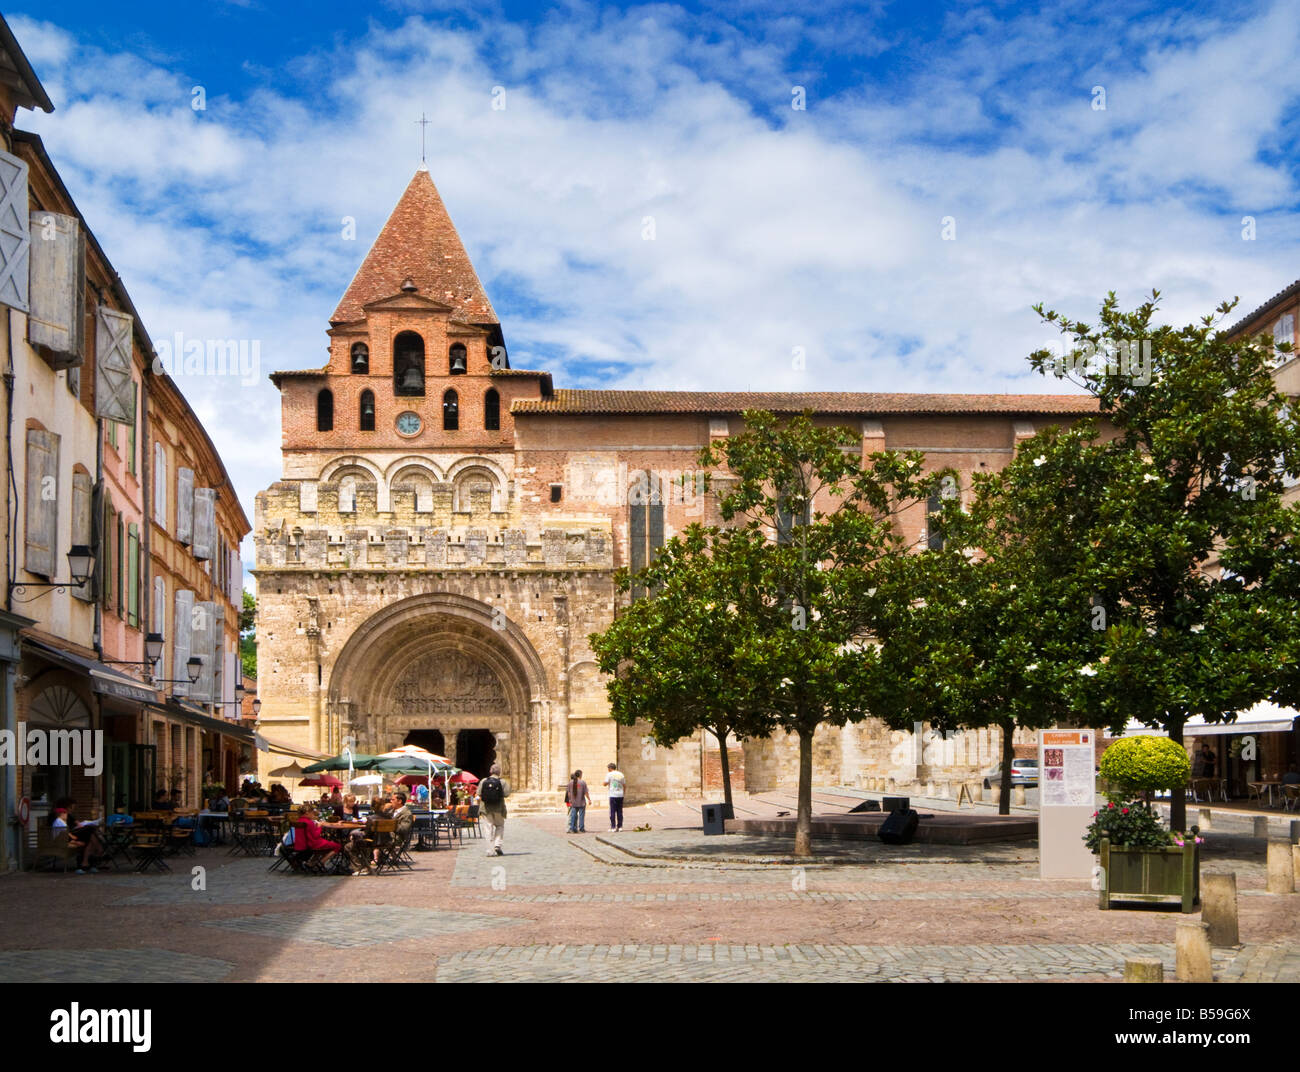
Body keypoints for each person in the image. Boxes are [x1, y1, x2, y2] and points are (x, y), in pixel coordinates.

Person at [291, 805, 343, 869]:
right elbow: (315, 836)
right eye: (312, 813)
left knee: (322, 848)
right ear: (307, 813)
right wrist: (319, 827)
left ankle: (311, 863)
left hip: (302, 844)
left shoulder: (299, 821)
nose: (313, 814)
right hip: (312, 843)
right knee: (338, 846)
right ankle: (321, 862)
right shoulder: (309, 822)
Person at [476, 763, 510, 856]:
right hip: (499, 808)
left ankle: (489, 850)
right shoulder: (503, 782)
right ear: (499, 772)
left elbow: (478, 793)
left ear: (490, 771)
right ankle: (497, 845)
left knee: (488, 828)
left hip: (486, 808)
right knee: (500, 826)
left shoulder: (483, 781)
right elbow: (507, 794)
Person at [603, 762, 626, 832]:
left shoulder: (609, 774)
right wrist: (623, 793)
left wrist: (606, 783)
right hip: (620, 794)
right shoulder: (621, 774)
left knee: (612, 811)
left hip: (613, 795)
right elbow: (624, 785)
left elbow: (604, 783)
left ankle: (613, 827)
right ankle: (620, 826)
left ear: (610, 768)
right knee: (620, 811)